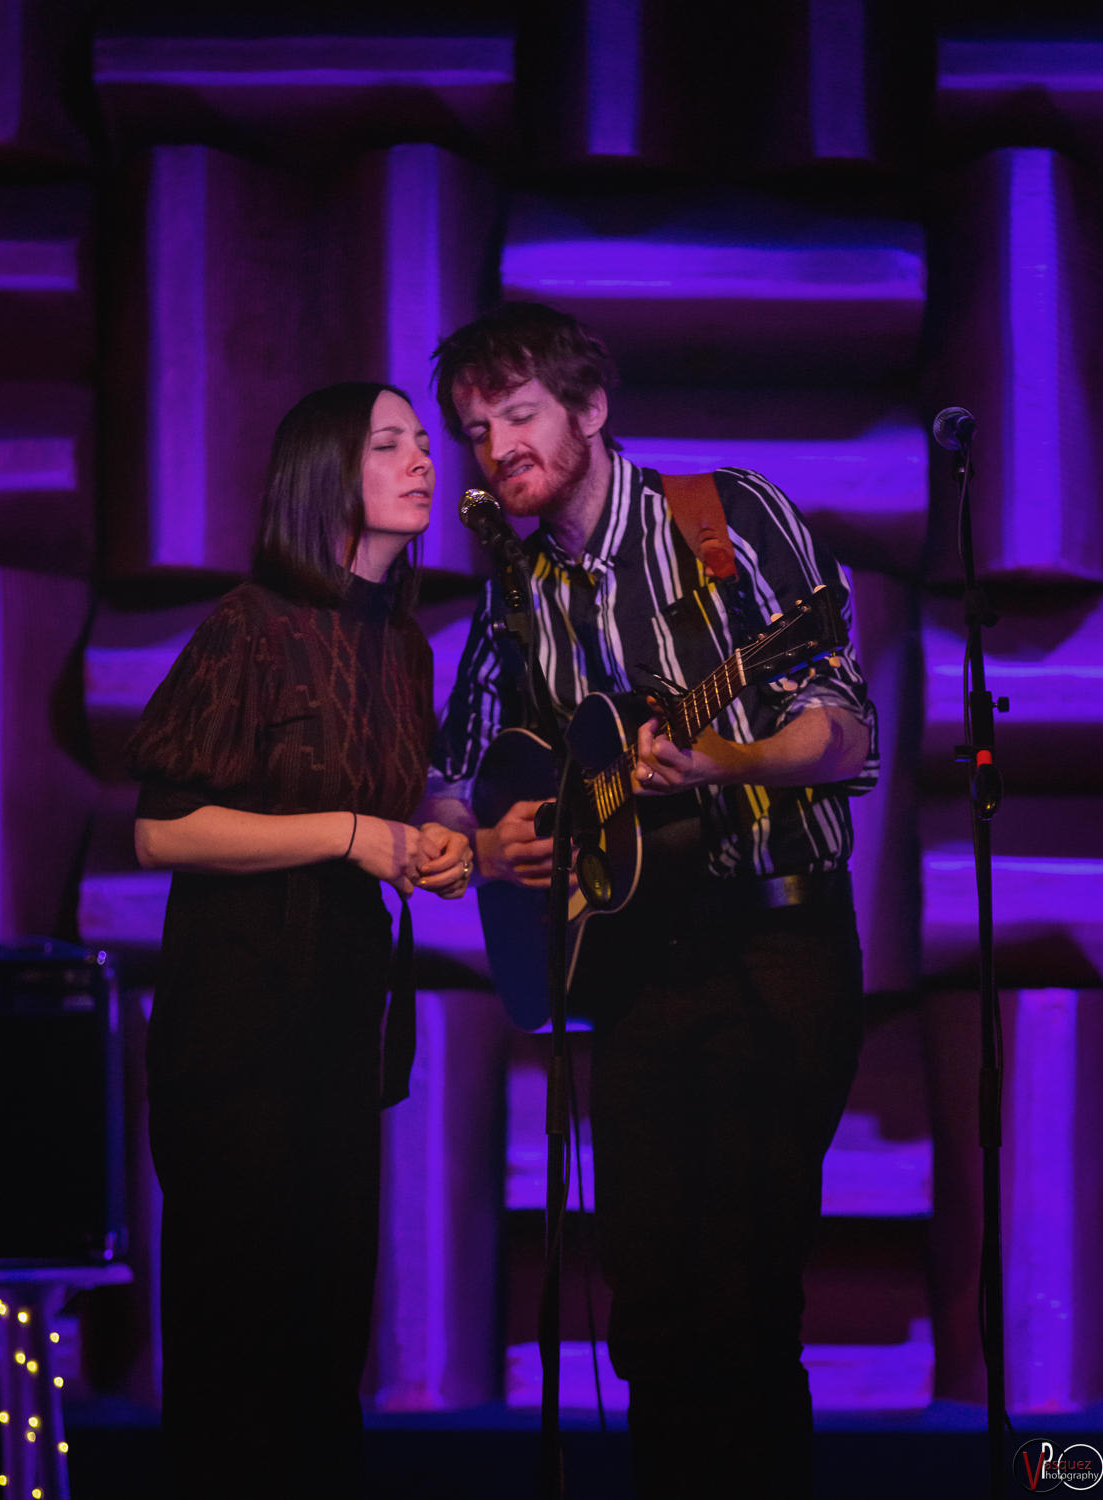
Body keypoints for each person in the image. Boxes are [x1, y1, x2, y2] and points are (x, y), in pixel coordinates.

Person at [426, 303, 878, 1497]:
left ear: (590, 409)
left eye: (517, 417)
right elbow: (452, 763)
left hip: (774, 936)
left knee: (743, 1291)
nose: (497, 449)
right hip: (631, 961)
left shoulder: (724, 518)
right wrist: (492, 842)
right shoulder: (518, 584)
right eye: (476, 431)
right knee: (650, 1295)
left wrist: (726, 761)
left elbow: (843, 728)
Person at [126, 383, 472, 1500]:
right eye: (391, 444)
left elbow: (396, 810)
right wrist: (354, 834)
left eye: (424, 442)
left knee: (327, 1345)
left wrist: (431, 843)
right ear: (328, 474)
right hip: (236, 1035)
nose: (423, 459)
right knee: (241, 1353)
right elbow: (161, 828)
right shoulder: (249, 625)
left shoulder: (404, 650)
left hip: (339, 1029)